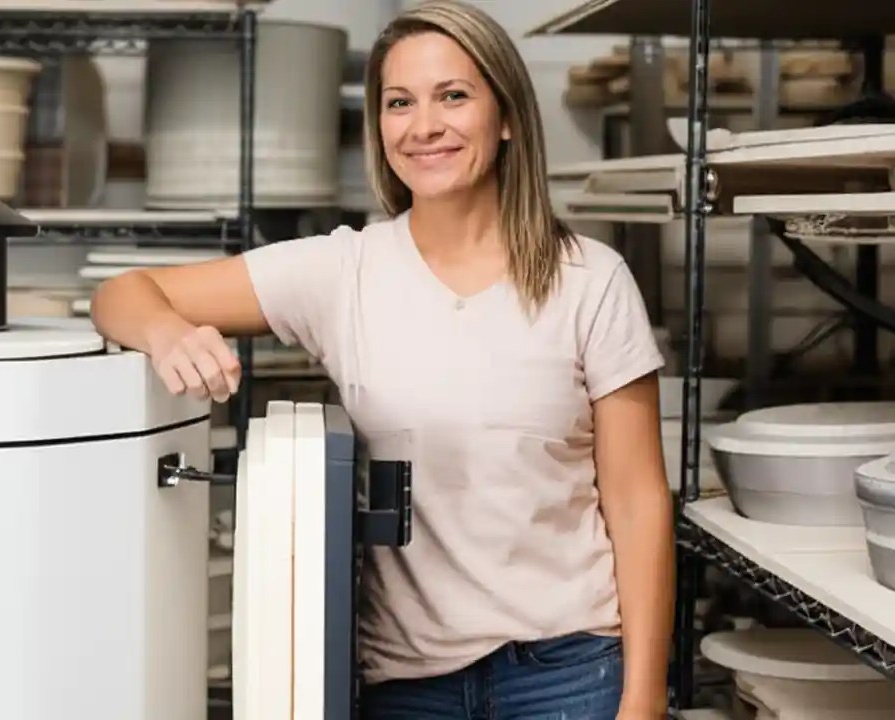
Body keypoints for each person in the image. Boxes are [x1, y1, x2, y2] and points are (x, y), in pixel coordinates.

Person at [90, 1, 675, 717]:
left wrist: (642, 701)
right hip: (408, 681)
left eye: (453, 96)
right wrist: (166, 332)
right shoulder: (345, 272)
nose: (423, 126)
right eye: (399, 103)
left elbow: (638, 503)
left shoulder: (591, 279)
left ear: (508, 115)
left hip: (568, 668)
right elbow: (122, 293)